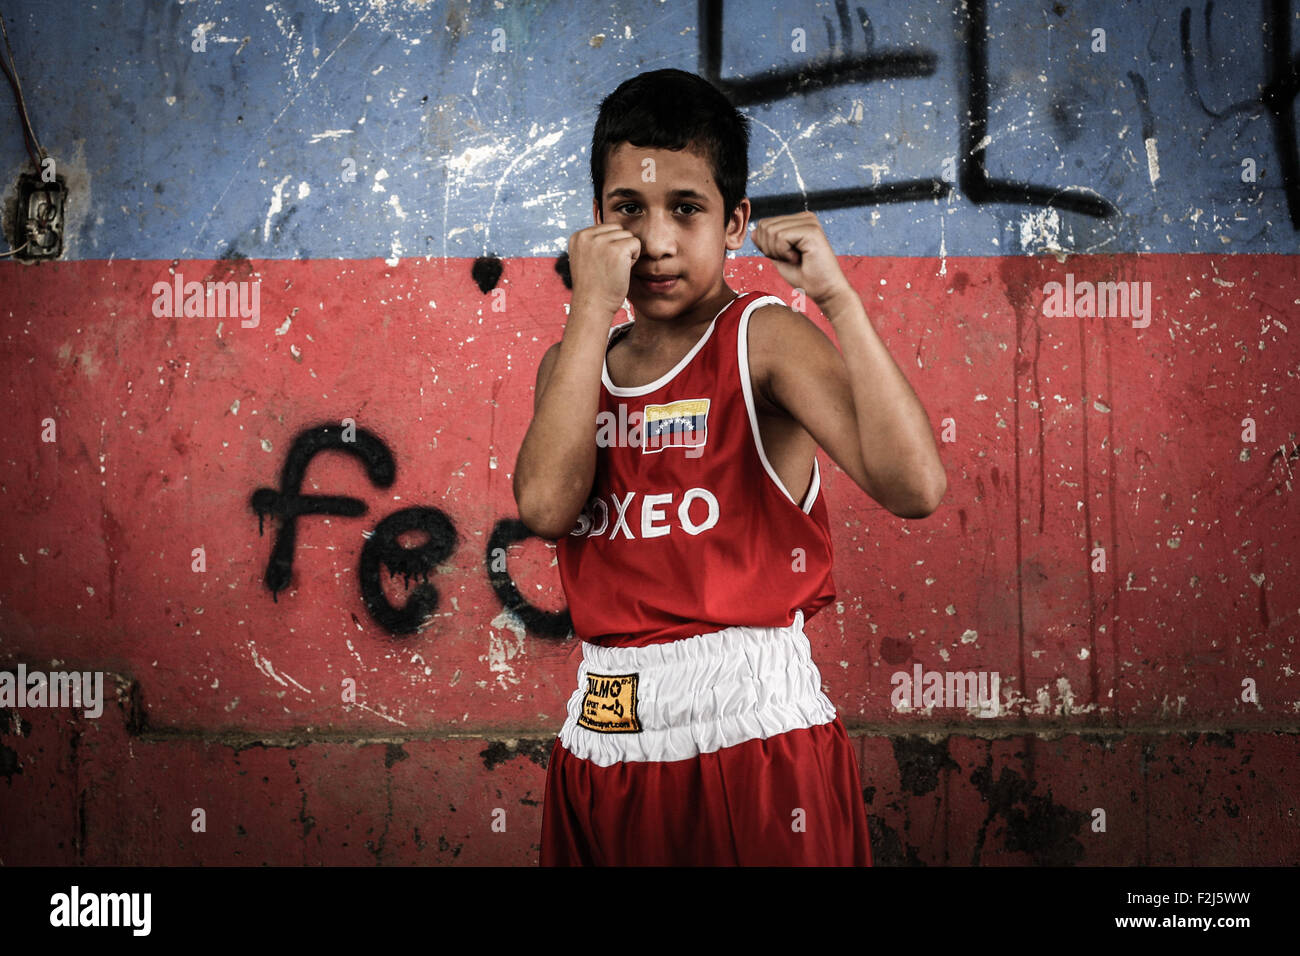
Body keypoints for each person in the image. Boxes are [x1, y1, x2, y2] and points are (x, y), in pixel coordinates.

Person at [513, 68, 946, 866]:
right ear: (596, 225)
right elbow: (544, 508)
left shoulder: (762, 337)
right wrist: (587, 309)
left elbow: (915, 488)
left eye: (687, 208)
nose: (658, 240)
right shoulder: (575, 362)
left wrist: (839, 300)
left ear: (735, 222)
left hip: (752, 735)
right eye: (627, 211)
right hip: (603, 733)